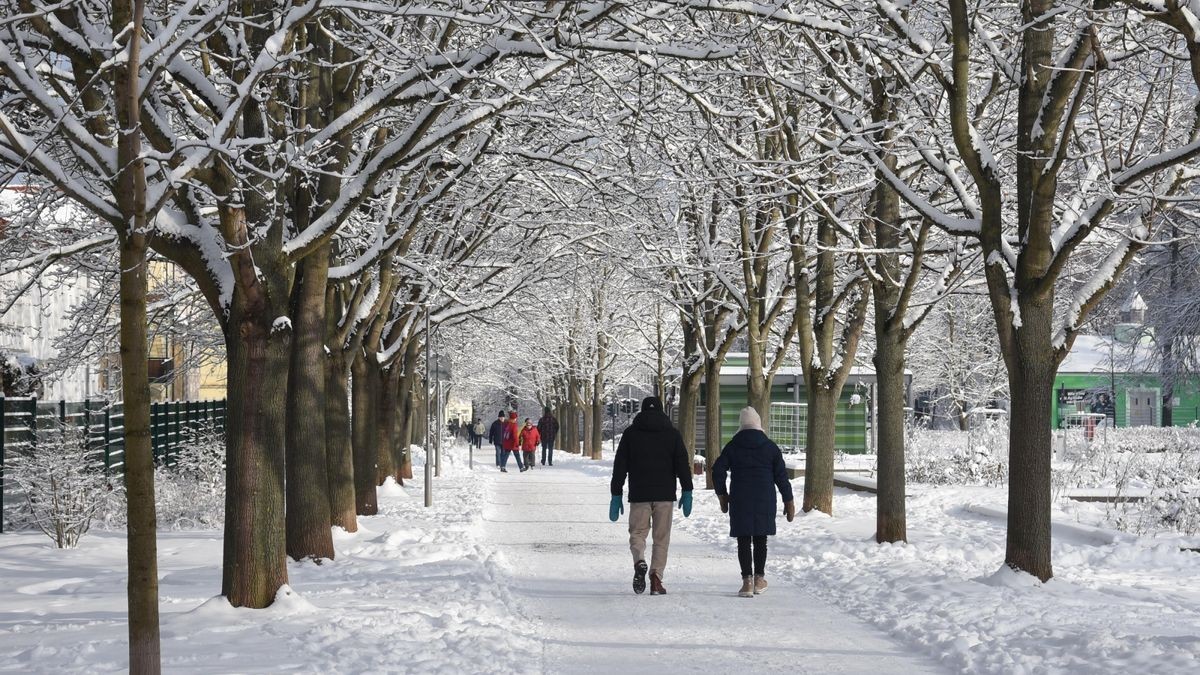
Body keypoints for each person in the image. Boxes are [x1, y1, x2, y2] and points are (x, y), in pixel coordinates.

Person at [609, 395, 693, 595]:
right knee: (661, 538)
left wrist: (616, 494)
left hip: (639, 494)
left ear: (642, 411)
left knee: (637, 534)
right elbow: (682, 463)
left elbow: (620, 465)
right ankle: (656, 578)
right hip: (665, 495)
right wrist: (687, 490)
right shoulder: (672, 434)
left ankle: (639, 561)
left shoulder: (630, 434)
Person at [711, 406, 795, 598]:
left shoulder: (732, 446)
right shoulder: (770, 447)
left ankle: (746, 582)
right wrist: (788, 500)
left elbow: (717, 471)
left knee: (743, 539)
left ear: (741, 425)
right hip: (764, 498)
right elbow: (781, 476)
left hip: (740, 498)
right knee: (760, 539)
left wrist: (722, 495)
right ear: (758, 424)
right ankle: (759, 579)